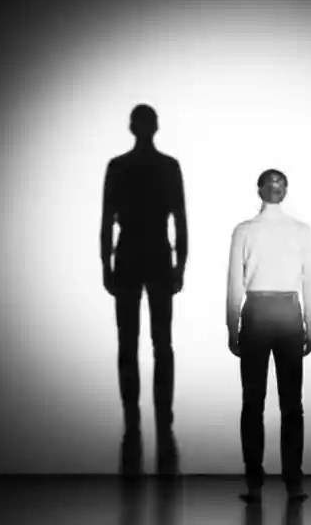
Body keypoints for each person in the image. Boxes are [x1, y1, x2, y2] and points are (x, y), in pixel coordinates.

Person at [101, 104, 187, 477]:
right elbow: (179, 219)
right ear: (154, 126)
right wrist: (180, 263)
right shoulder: (165, 166)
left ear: (133, 126)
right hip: (153, 253)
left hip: (134, 254)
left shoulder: (121, 166)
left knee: (135, 342)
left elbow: (108, 220)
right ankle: (155, 419)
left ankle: (137, 418)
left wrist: (106, 263)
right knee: (158, 343)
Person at [227, 169, 311, 502]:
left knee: (253, 403)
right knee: (291, 404)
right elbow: (310, 281)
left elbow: (235, 283)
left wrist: (232, 326)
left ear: (259, 190)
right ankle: (293, 482)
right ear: (284, 191)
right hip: (288, 313)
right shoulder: (300, 230)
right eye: (276, 184)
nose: (275, 187)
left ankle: (255, 483)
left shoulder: (244, 230)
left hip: (256, 313)